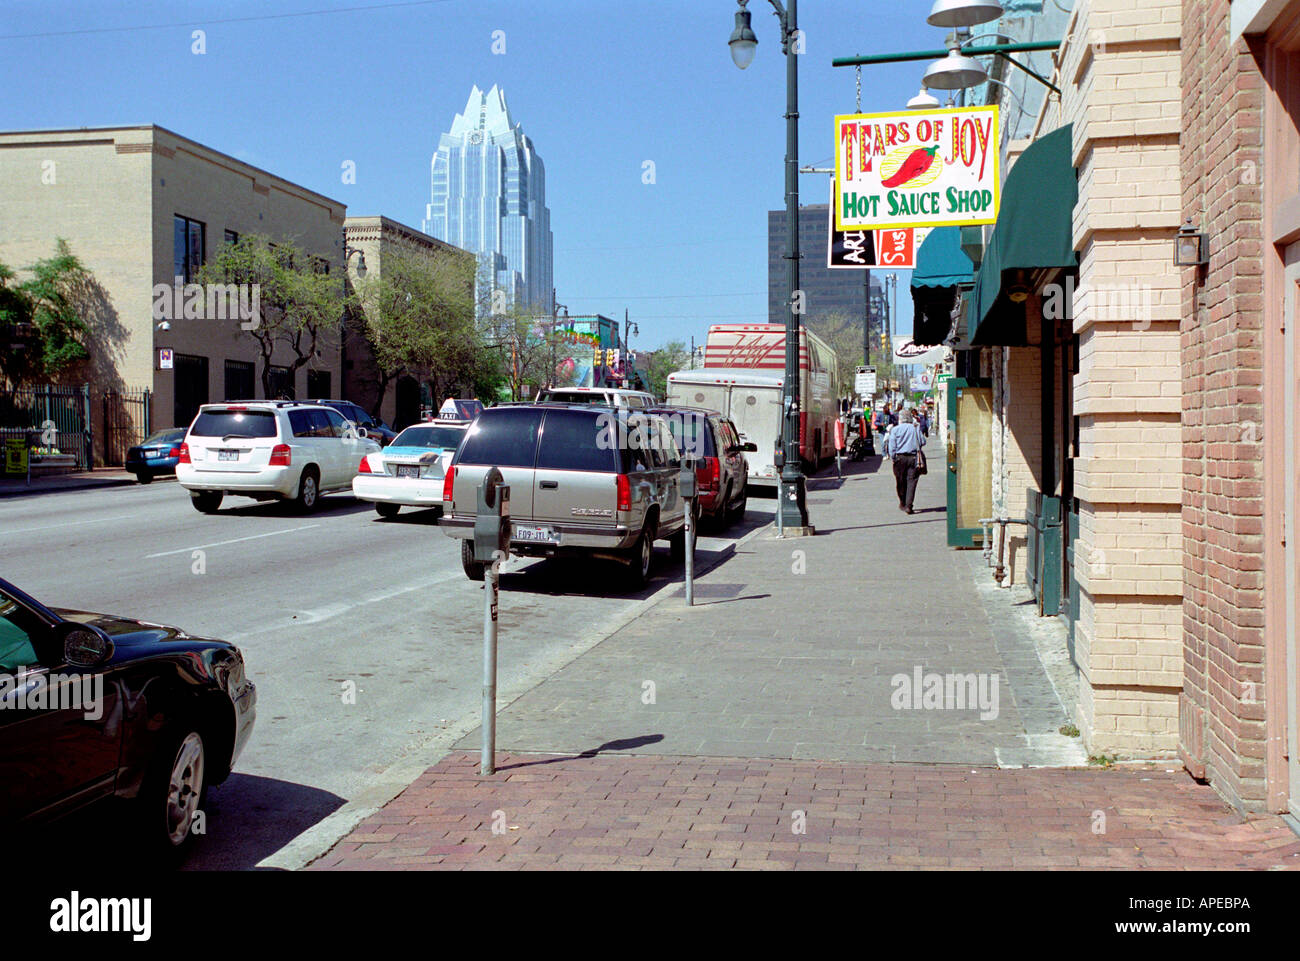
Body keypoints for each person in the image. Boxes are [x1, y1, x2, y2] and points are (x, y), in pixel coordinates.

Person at [885, 407, 926, 514]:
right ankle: (909, 505)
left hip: (899, 458)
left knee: (900, 481)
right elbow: (923, 441)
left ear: (900, 419)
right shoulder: (915, 428)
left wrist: (893, 457)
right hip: (913, 458)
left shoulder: (895, 430)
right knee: (912, 481)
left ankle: (902, 502)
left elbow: (892, 446)